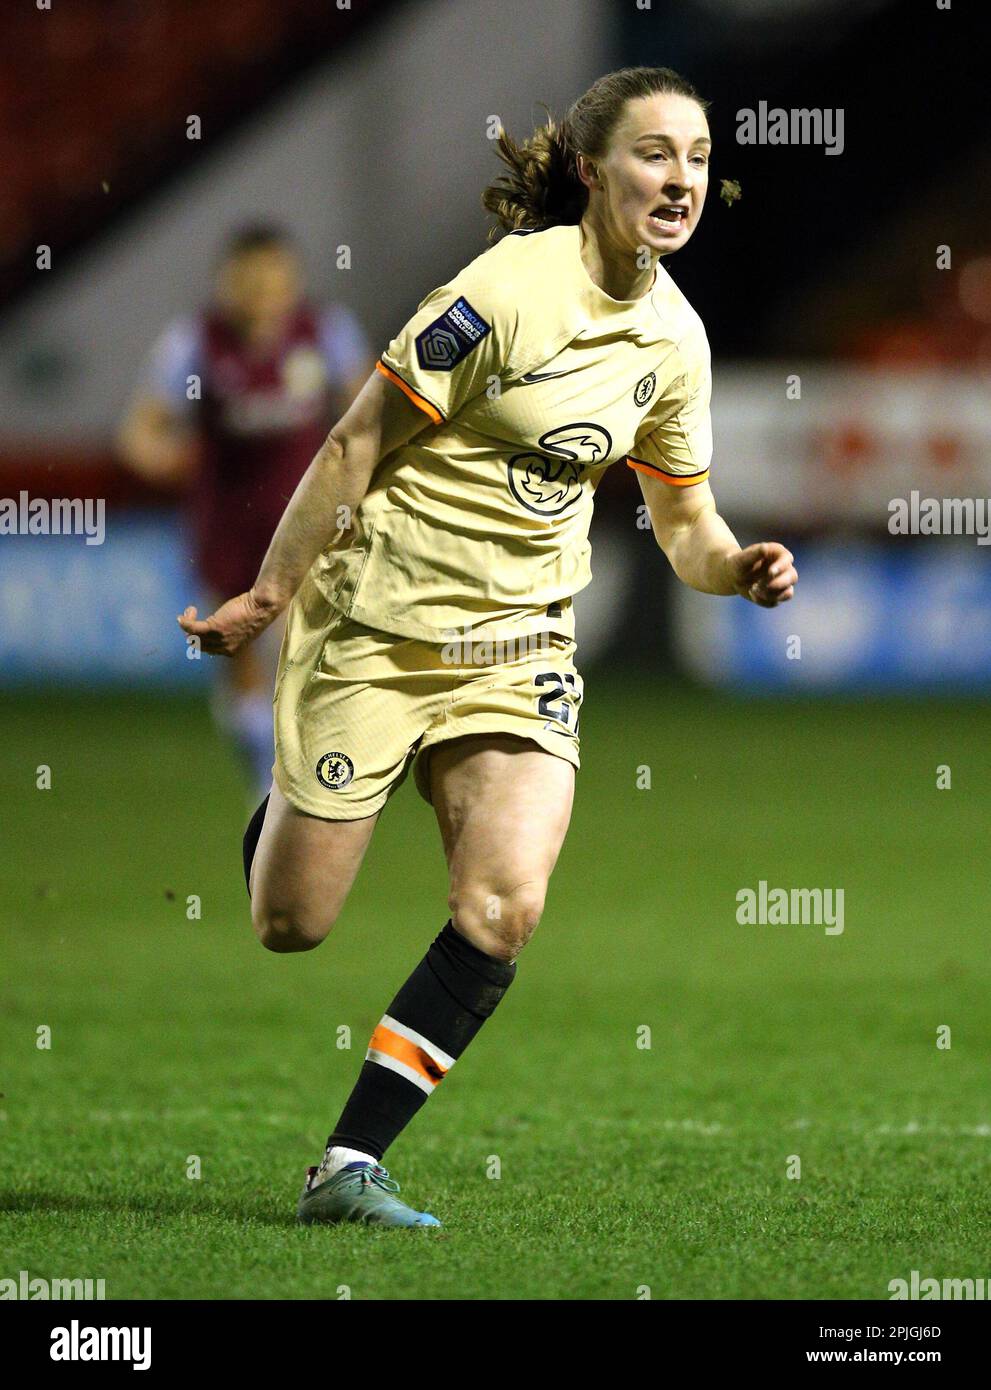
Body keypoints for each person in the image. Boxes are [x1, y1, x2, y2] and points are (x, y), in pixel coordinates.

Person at [179, 67, 798, 1229]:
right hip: (377, 627)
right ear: (589, 167)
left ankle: (347, 1165)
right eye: (654, 154)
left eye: (700, 159)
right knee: (290, 923)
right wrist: (270, 593)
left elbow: (683, 522)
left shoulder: (674, 341)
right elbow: (357, 441)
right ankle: (287, 810)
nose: (680, 180)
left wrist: (739, 567)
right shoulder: (503, 294)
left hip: (522, 643)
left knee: (505, 906)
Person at [119, 224, 371, 796]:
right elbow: (139, 433)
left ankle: (284, 780)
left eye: (274, 278)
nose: (263, 291)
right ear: (227, 282)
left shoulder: (326, 334)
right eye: (250, 279)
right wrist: (167, 460)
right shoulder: (193, 342)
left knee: (289, 644)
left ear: (293, 280)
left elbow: (368, 415)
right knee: (239, 659)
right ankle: (266, 764)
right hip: (225, 524)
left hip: (302, 520)